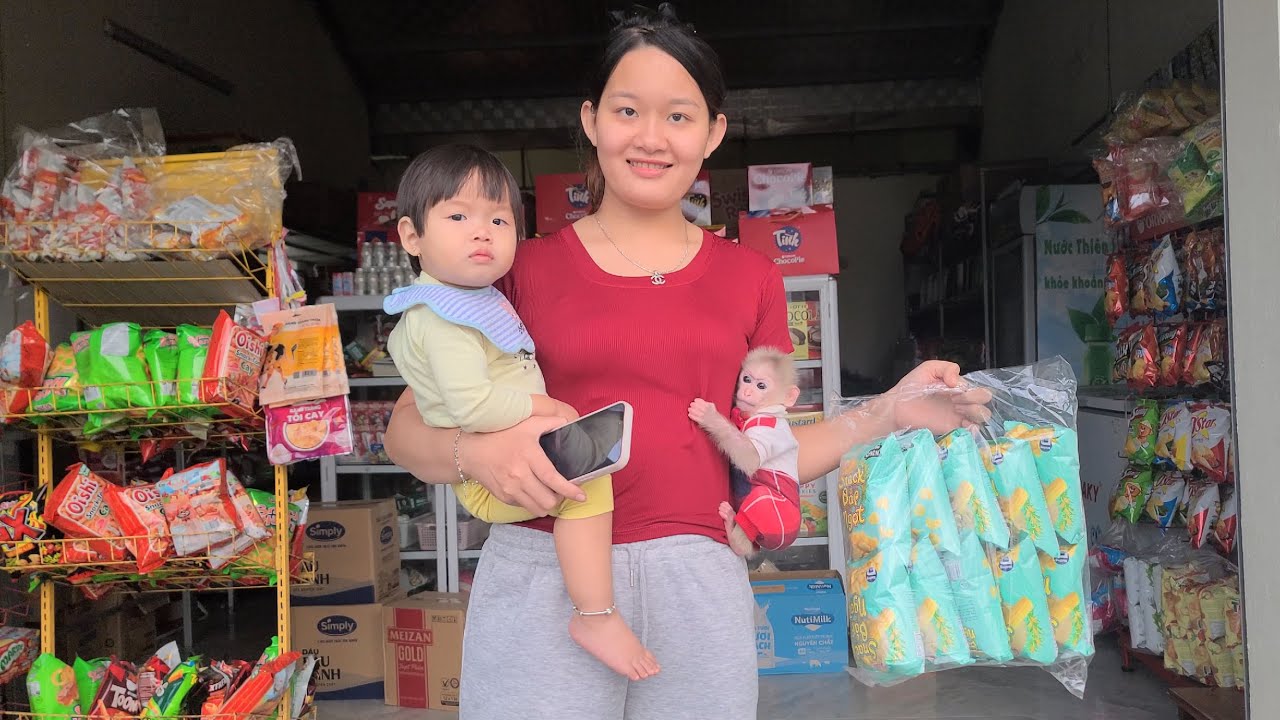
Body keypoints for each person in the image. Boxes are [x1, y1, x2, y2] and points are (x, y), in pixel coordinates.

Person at [381, 5, 991, 719]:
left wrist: (887, 412)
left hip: (697, 582)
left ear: (713, 132)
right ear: (591, 119)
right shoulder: (518, 271)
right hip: (544, 575)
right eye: (628, 110)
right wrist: (473, 454)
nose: (650, 138)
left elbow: (770, 448)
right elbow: (403, 428)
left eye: (678, 116)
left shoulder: (753, 280)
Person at [381, 144, 658, 681]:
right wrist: (540, 406)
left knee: (587, 464)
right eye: (458, 216)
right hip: (487, 476)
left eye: (499, 219)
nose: (481, 231)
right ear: (412, 237)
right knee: (587, 488)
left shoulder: (471, 299)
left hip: (509, 448)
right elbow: (469, 405)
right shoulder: (442, 317)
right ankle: (594, 615)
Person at [688, 346, 802, 557]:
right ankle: (744, 532)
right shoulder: (750, 419)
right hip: (759, 508)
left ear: (788, 396)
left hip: (778, 513)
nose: (748, 391)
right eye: (746, 379)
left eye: (761, 386)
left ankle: (742, 542)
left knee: (758, 496)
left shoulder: (770, 424)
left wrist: (714, 421)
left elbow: (749, 459)